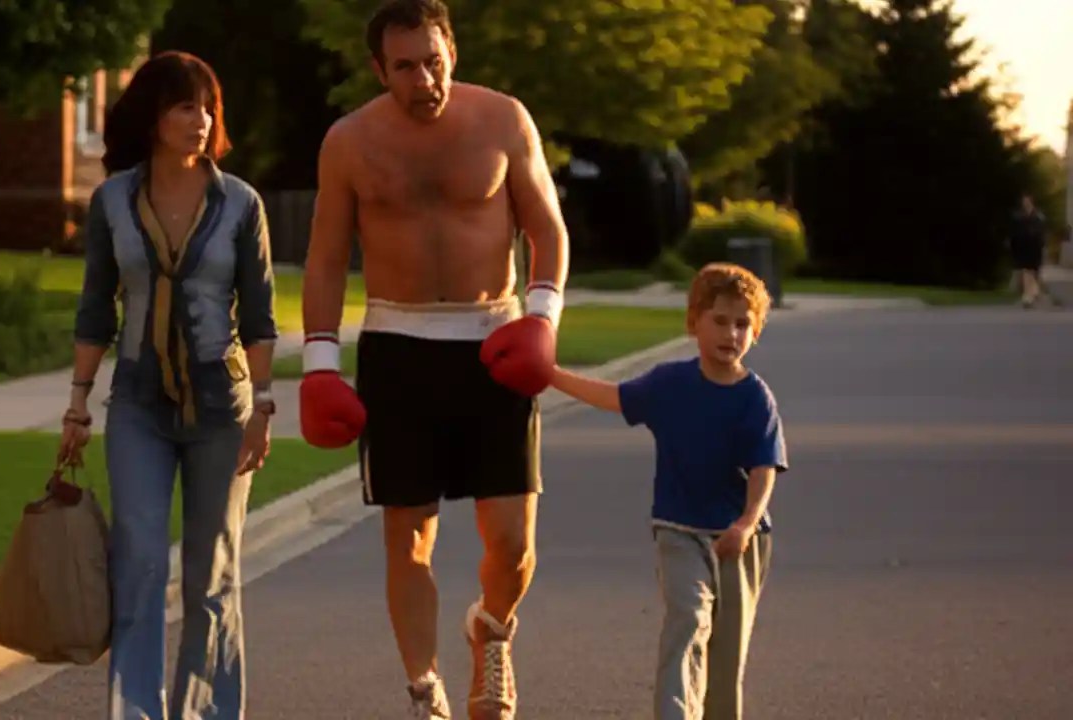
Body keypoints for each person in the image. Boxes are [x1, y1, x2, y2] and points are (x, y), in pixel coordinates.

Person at [297, 1, 569, 717]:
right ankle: (425, 689)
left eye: (434, 61)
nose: (424, 80)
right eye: (406, 67)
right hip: (399, 345)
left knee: (511, 542)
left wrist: (542, 318)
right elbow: (325, 258)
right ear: (378, 70)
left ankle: (492, 630)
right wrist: (320, 364)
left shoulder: (504, 120)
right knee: (410, 537)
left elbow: (548, 230)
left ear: (453, 52)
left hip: (495, 343)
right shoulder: (348, 142)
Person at [57, 50, 279, 720]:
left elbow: (260, 319)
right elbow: (96, 309)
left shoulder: (240, 203)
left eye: (208, 108)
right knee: (140, 565)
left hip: (222, 409)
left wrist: (263, 406)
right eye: (186, 106)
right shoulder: (112, 202)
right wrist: (77, 404)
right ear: (153, 116)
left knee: (212, 575)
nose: (201, 120)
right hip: (138, 406)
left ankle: (207, 713)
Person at [549, 263, 788, 720]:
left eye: (743, 324)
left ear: (755, 332)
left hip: (739, 538)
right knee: (688, 620)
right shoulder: (669, 384)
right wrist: (551, 375)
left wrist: (745, 523)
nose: (731, 333)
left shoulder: (755, 398)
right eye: (720, 320)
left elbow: (764, 468)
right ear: (694, 321)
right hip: (678, 529)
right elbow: (614, 397)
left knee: (726, 653)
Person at [1008, 194, 1062, 309]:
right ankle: (1028, 296)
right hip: (1023, 247)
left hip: (1035, 248)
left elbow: (1042, 232)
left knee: (1033, 271)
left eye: (1027, 201)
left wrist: (1043, 244)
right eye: (1024, 202)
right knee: (1026, 271)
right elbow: (1014, 233)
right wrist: (1013, 245)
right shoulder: (1018, 216)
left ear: (1031, 202)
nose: (1026, 204)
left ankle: (1032, 293)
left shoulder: (1038, 216)